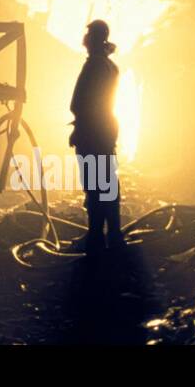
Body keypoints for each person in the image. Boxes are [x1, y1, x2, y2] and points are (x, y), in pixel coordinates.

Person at [68, 19, 124, 254]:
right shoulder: (110, 65)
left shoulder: (94, 66)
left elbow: (81, 102)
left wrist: (79, 128)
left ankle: (95, 239)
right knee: (107, 183)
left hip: (92, 131)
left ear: (94, 38)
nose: (85, 36)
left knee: (94, 185)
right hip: (104, 130)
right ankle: (113, 235)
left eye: (89, 33)